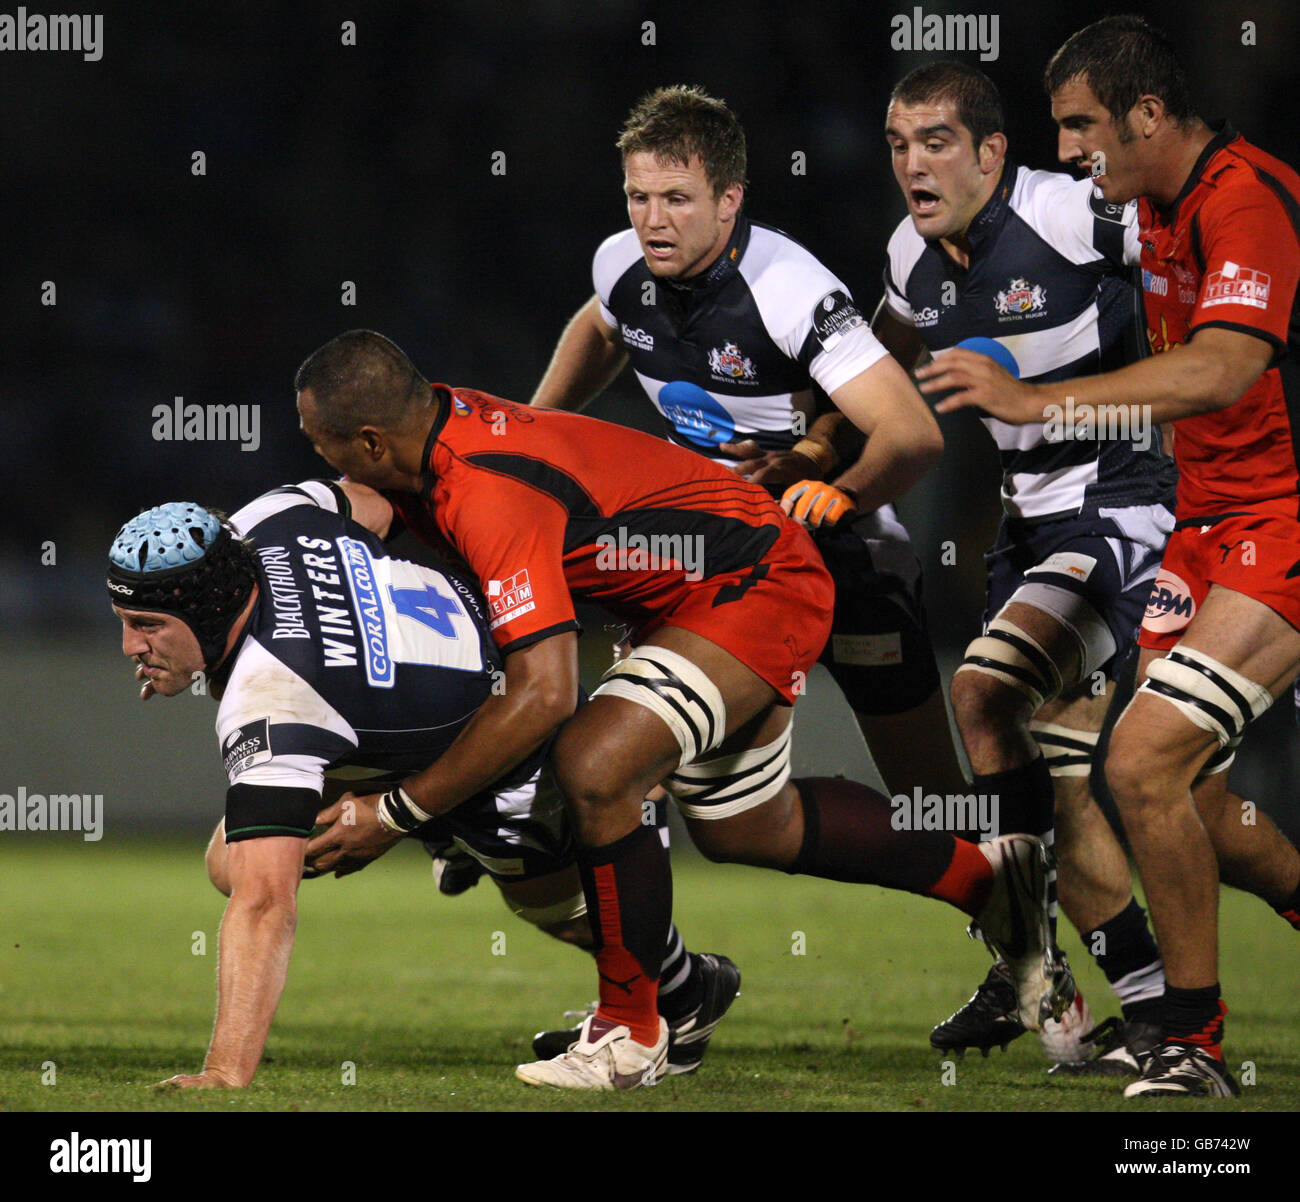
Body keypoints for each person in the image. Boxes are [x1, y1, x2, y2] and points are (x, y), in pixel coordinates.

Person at [295, 328, 1072, 1091]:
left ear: (369, 443)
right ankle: (993, 883)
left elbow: (543, 692)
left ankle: (632, 1030)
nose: (316, 455)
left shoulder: (485, 488)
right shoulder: (440, 434)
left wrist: (398, 813)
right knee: (748, 825)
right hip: (696, 590)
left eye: (319, 442)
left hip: (752, 580)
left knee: (597, 765)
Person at [920, 15, 1300, 1097]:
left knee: (1135, 761)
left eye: (1082, 124)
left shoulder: (1241, 198)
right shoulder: (1155, 210)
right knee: (1204, 815)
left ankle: (1190, 1041)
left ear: (1145, 113)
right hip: (1204, 523)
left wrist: (1038, 400)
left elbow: (1224, 368)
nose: (1072, 148)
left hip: (1280, 520)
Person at [108, 480, 737, 1086]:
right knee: (230, 860)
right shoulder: (265, 520)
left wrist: (224, 1072)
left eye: (147, 624)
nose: (131, 644)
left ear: (210, 607)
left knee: (561, 911)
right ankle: (433, 822)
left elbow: (266, 903)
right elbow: (386, 500)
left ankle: (687, 989)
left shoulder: (272, 696)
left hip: (506, 745)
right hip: (492, 656)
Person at [530, 84, 967, 802]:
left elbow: (912, 434)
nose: (652, 221)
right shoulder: (620, 264)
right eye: (638, 197)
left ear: (730, 199)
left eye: (677, 198)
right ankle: (528, 827)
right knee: (628, 767)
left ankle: (1001, 889)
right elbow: (601, 327)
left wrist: (833, 494)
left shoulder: (788, 290)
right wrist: (536, 426)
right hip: (714, 558)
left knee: (931, 799)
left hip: (843, 553)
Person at [876, 60, 1175, 1075]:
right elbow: (884, 358)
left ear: (993, 153)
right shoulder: (909, 263)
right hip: (1024, 529)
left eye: (936, 143)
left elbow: (1188, 250)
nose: (912, 164)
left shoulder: (1066, 212)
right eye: (897, 144)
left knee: (982, 689)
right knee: (1069, 778)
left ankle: (1029, 961)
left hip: (1120, 508)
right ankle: (1141, 1012)